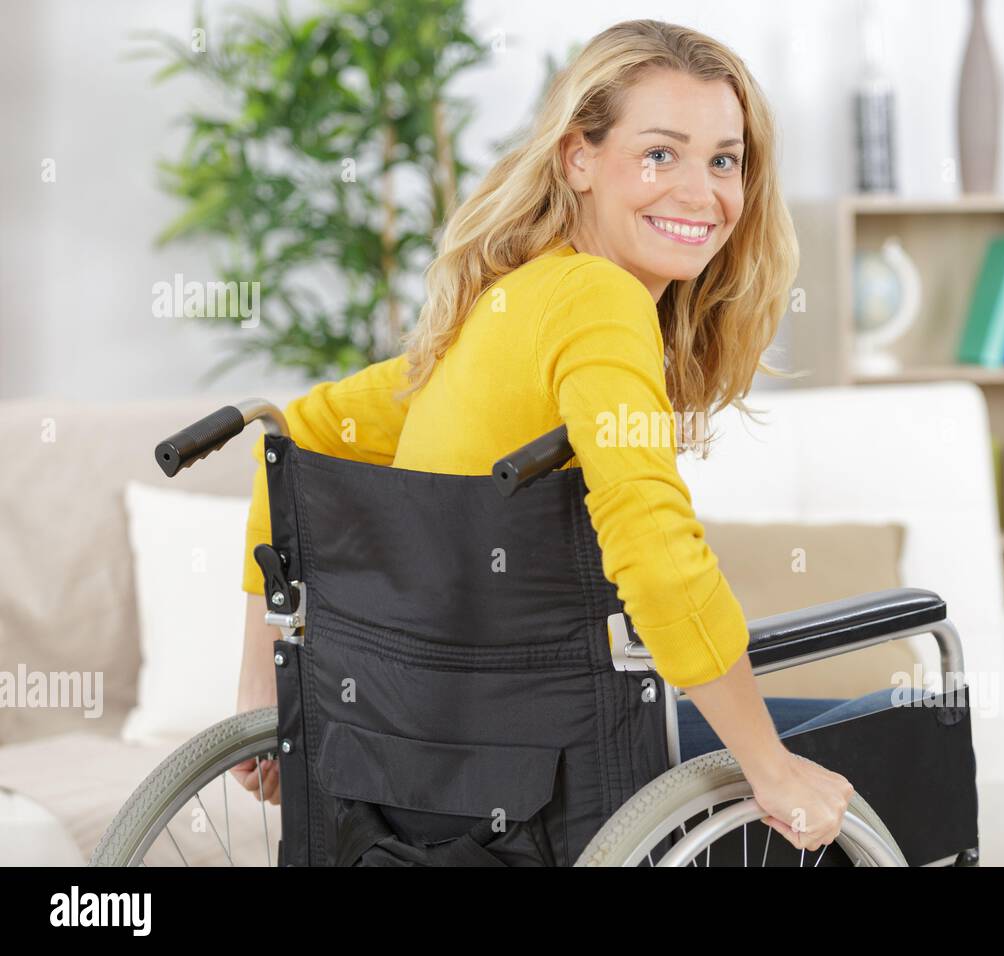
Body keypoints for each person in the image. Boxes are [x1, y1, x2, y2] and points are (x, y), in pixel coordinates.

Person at [232, 18, 908, 854]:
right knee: (914, 727)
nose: (702, 193)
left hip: (425, 768)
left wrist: (260, 679)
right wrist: (771, 768)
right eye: (660, 154)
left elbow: (298, 436)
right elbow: (656, 552)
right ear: (577, 158)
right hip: (564, 776)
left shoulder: (508, 303)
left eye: (724, 159)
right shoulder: (599, 299)